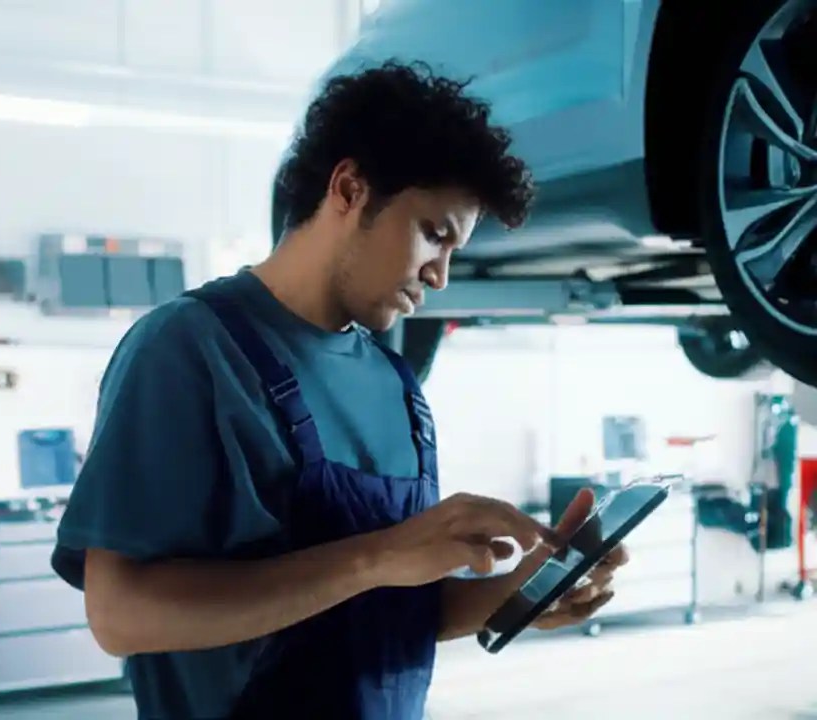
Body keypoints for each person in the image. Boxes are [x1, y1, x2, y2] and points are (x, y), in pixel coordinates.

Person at [50, 59, 628, 720]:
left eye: (454, 250)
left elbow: (387, 611)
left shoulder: (397, 386)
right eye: (433, 234)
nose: (440, 275)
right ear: (350, 189)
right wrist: (378, 555)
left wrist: (521, 595)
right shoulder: (188, 351)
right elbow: (121, 615)